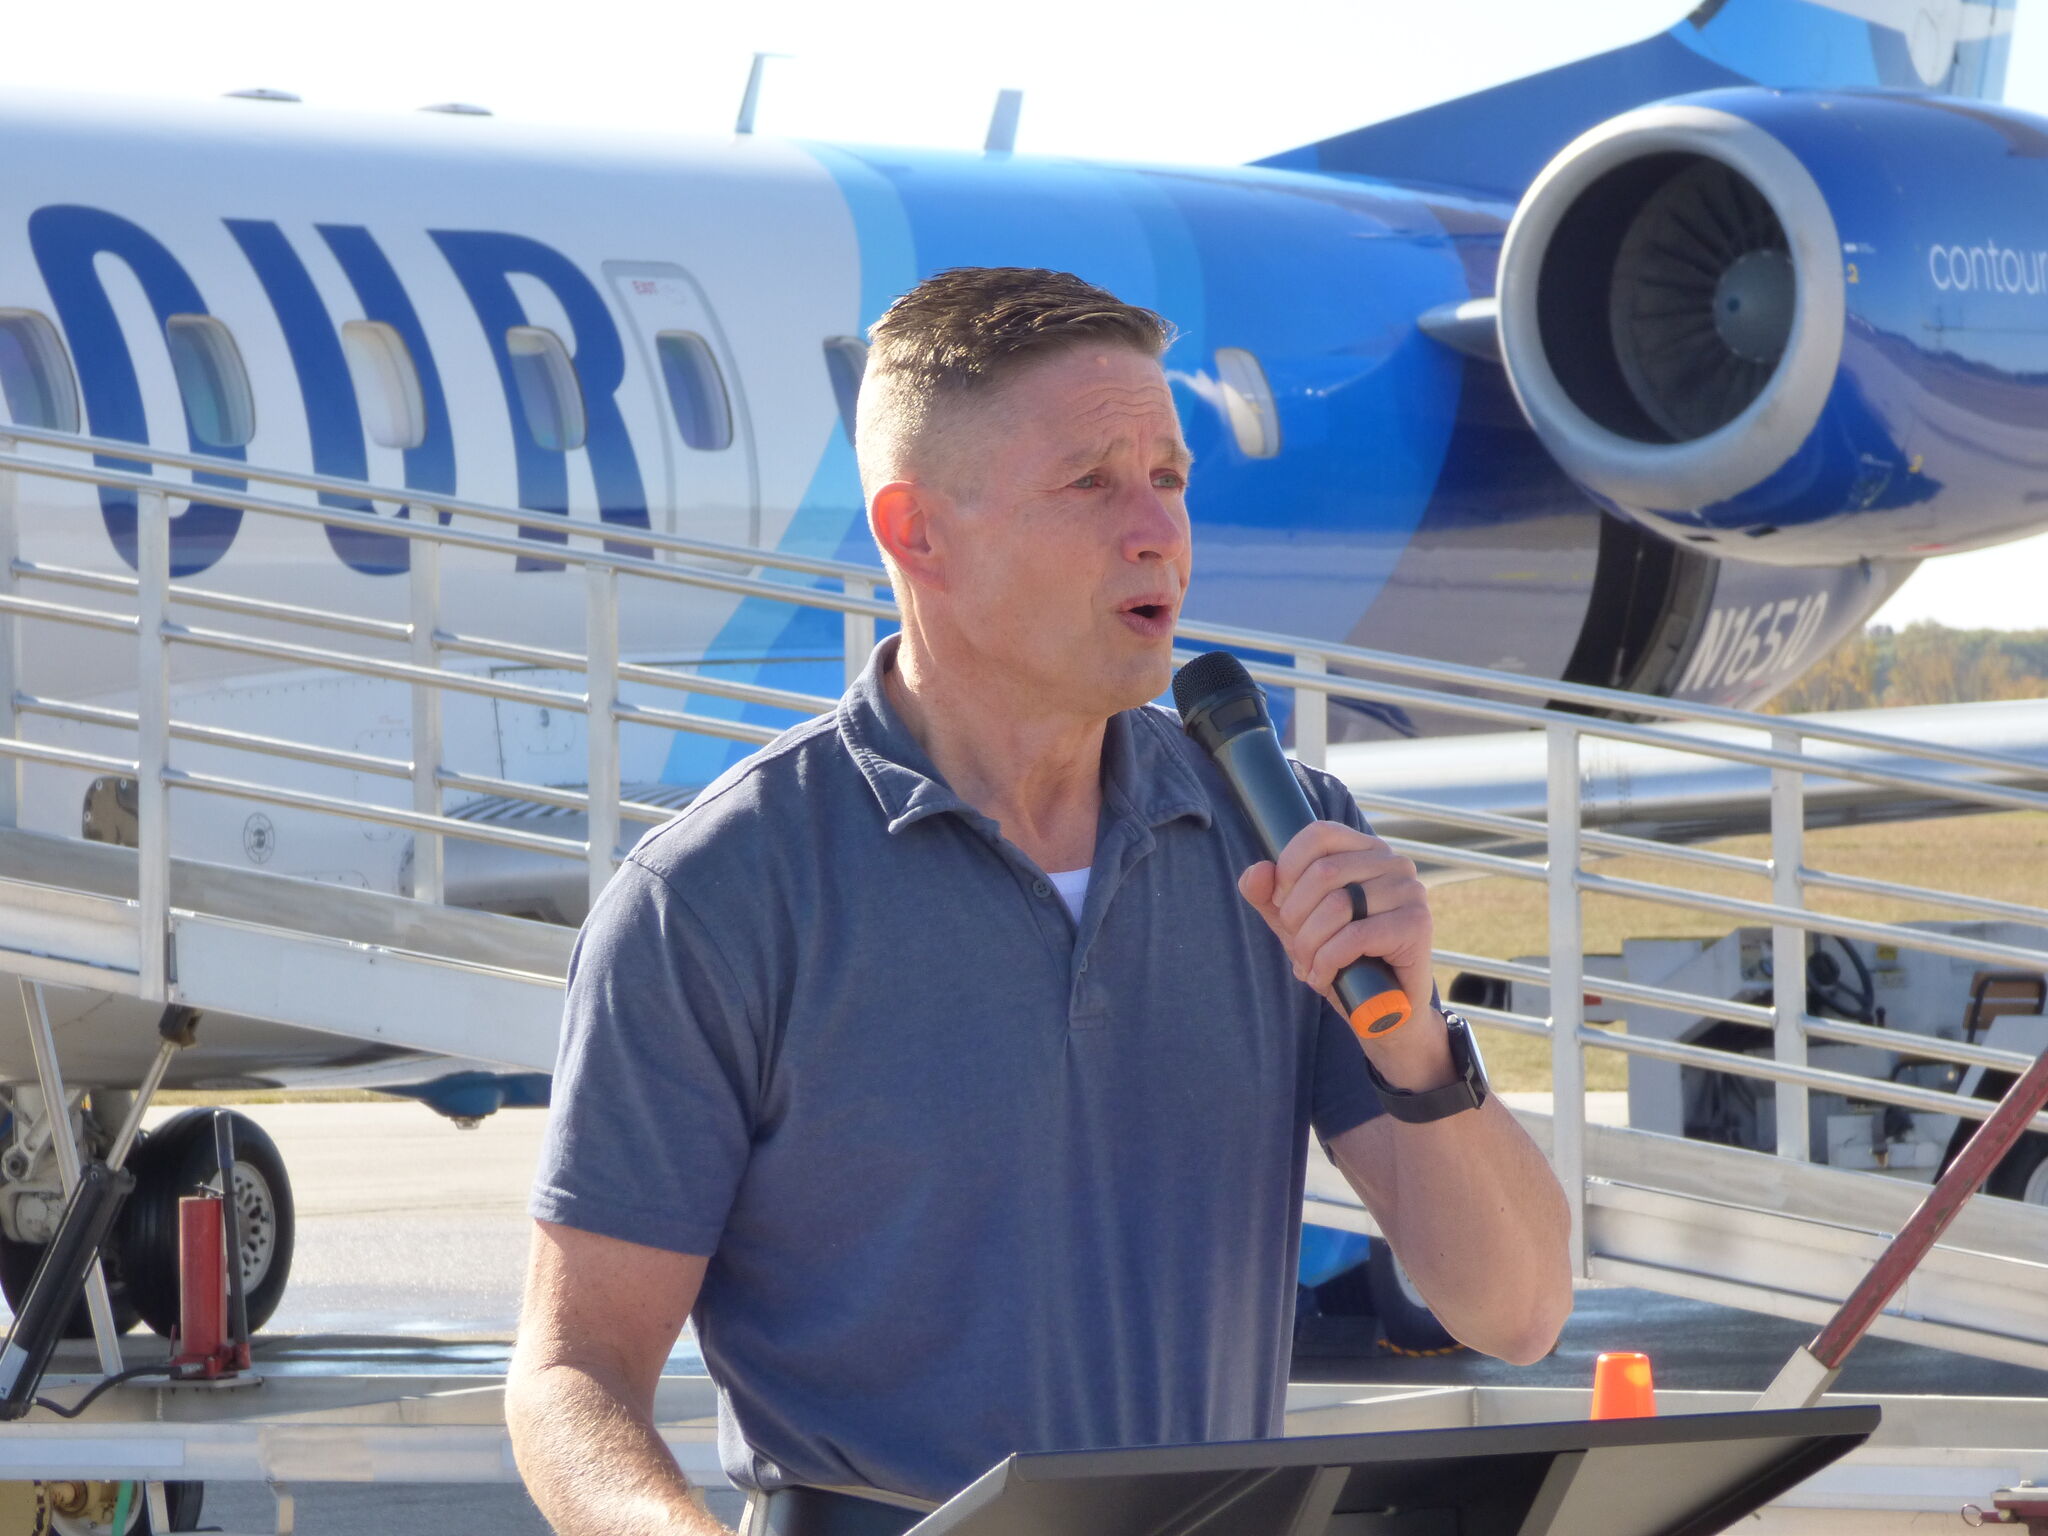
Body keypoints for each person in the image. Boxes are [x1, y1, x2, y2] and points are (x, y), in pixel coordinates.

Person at [507, 266, 1572, 1536]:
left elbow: (1513, 1310)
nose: (1157, 530)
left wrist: (1411, 1045)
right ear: (916, 534)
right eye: (1090, 483)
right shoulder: (715, 896)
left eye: (1169, 478)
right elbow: (574, 1374)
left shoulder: (1286, 841)